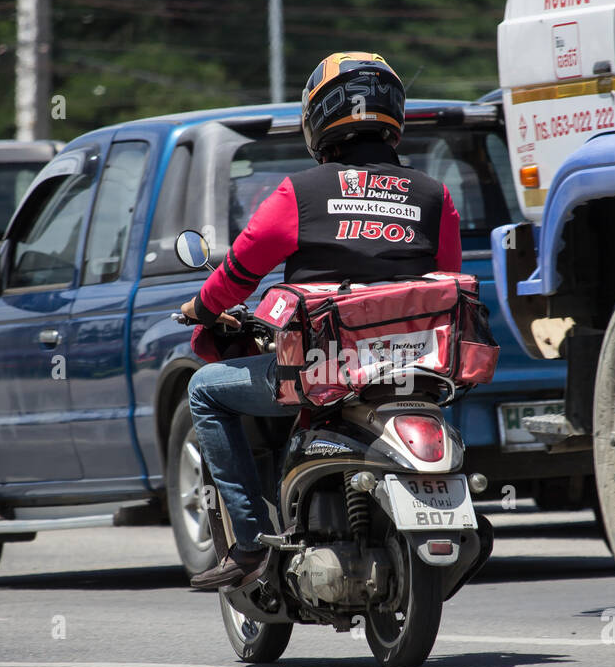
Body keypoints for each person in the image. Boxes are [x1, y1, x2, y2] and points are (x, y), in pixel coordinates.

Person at [180, 52, 463, 590]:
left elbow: (238, 273)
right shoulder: (434, 194)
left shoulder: (301, 193)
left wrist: (203, 308)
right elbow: (446, 281)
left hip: (322, 370)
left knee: (204, 389)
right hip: (415, 368)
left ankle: (250, 543)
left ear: (319, 117)